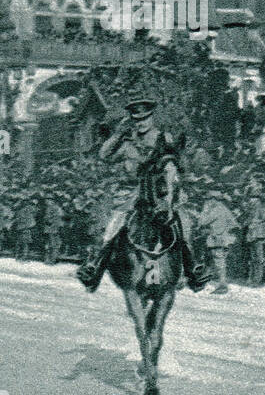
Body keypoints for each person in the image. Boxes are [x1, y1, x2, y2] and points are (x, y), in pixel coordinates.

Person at [76, 98, 211, 293]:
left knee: (182, 222)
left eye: (145, 118)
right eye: (136, 119)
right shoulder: (128, 143)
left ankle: (193, 269)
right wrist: (117, 134)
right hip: (133, 192)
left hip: (161, 191)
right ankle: (94, 267)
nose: (141, 123)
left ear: (151, 117)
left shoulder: (164, 138)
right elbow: (104, 155)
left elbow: (175, 164)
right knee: (115, 224)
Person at [200, 187, 237, 294]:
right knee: (218, 261)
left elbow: (202, 222)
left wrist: (204, 211)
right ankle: (218, 282)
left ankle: (222, 285)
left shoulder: (215, 210)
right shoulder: (225, 209)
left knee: (219, 262)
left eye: (208, 199)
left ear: (213, 199)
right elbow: (233, 223)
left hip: (217, 239)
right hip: (224, 239)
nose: (207, 201)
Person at [244, 191, 265, 287]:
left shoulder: (260, 207)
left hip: (258, 235)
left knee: (258, 258)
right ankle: (253, 279)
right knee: (254, 258)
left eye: (253, 197)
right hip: (253, 235)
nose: (251, 199)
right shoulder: (252, 208)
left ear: (258, 199)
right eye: (251, 197)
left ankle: (257, 280)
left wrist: (255, 222)